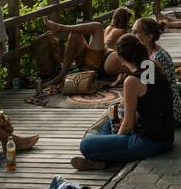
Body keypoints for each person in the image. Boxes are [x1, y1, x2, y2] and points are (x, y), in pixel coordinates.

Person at [71, 35, 175, 170]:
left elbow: (127, 126)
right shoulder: (153, 68)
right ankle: (105, 155)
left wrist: (116, 140)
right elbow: (152, 104)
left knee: (86, 144)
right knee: (115, 116)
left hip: (150, 141)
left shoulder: (132, 81)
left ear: (121, 58)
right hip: (166, 136)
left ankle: (103, 158)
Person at [43, 6, 133, 85]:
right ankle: (60, 28)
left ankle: (62, 73)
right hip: (96, 62)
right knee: (83, 31)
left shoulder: (108, 28)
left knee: (89, 29)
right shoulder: (122, 32)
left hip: (93, 63)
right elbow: (121, 53)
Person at [132, 18, 181, 126]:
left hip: (168, 115)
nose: (132, 35)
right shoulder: (157, 51)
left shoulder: (152, 60)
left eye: (136, 32)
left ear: (149, 36)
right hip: (172, 111)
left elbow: (148, 93)